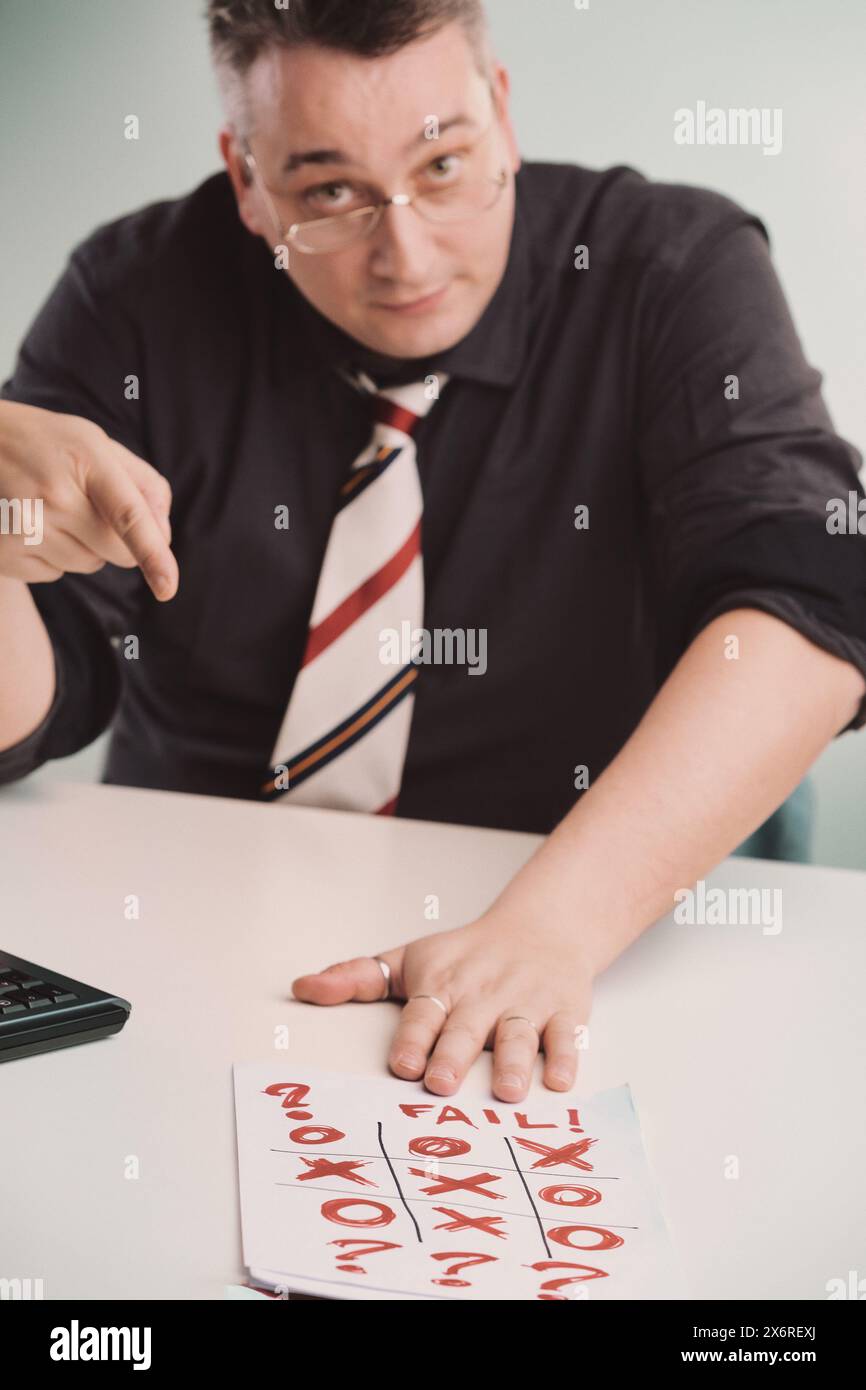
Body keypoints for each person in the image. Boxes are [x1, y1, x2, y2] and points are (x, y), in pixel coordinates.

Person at [1, 0, 865, 1103]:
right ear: (247, 183)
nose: (401, 252)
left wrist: (552, 925)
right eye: (328, 193)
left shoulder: (671, 265)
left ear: (500, 116)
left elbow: (811, 602)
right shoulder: (133, 298)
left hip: (564, 929)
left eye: (444, 165)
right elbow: (34, 697)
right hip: (187, 937)